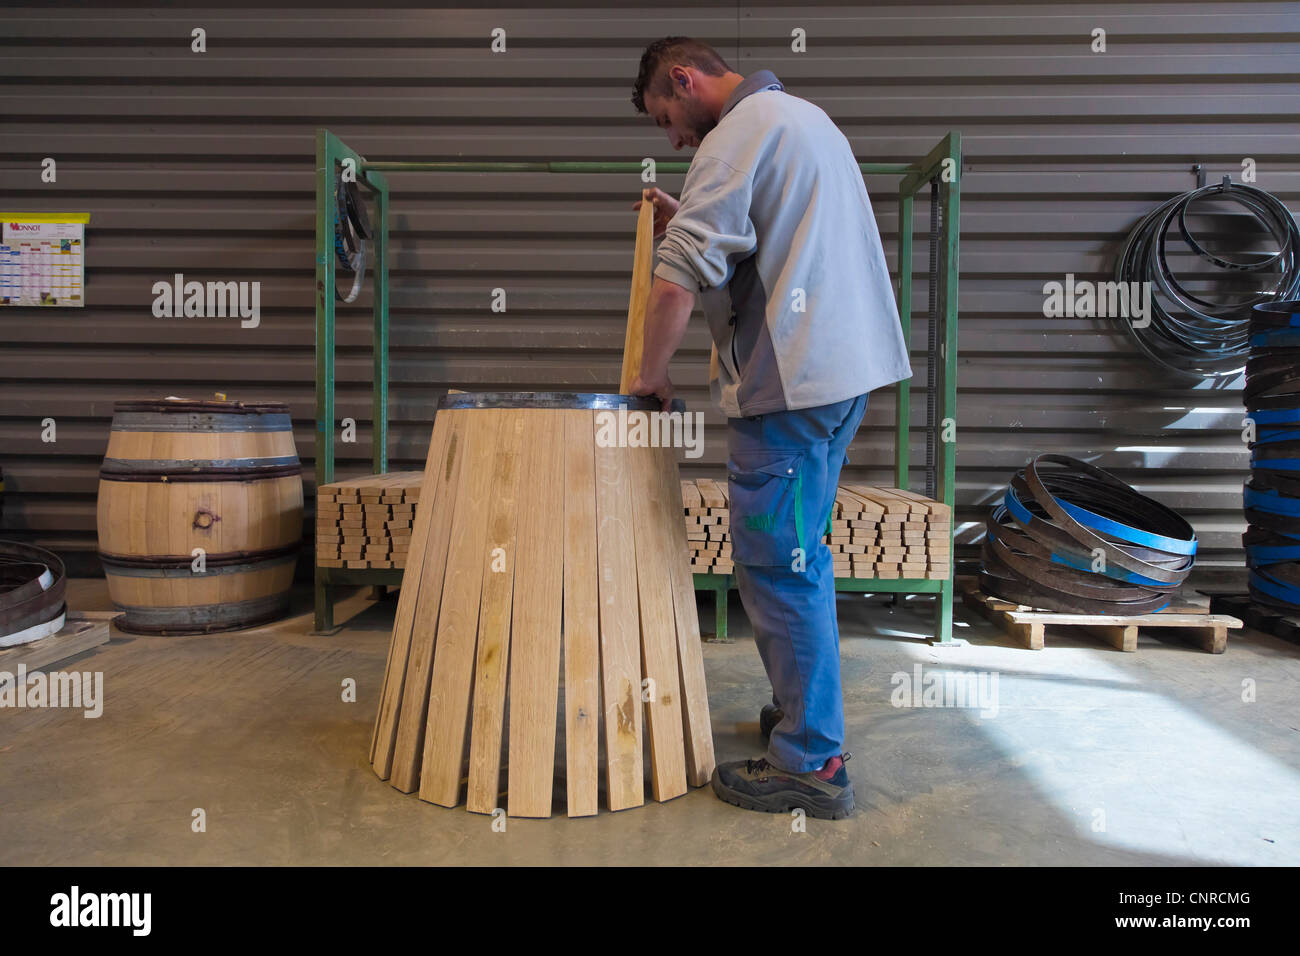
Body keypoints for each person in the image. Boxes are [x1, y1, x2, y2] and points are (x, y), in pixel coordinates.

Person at [626, 36, 912, 819]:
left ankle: (812, 763)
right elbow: (774, 239)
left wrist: (650, 377)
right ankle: (804, 719)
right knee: (798, 553)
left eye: (666, 119)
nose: (677, 139)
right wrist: (694, 212)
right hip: (844, 375)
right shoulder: (802, 119)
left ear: (683, 78)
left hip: (791, 386)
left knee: (779, 565)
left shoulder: (735, 134)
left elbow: (681, 270)